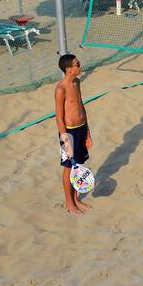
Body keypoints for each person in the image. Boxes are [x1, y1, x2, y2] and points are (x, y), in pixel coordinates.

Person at [54, 54, 93, 216]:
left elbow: (81, 105)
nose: (80, 66)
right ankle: (69, 203)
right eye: (77, 64)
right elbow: (59, 117)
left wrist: (88, 131)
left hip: (81, 128)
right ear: (68, 69)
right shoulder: (61, 89)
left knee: (79, 165)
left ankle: (76, 198)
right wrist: (65, 139)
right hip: (68, 132)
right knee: (68, 168)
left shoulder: (77, 83)